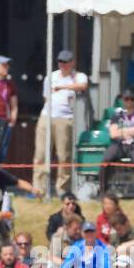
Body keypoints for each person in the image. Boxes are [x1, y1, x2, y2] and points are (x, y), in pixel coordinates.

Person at [34, 50, 87, 196]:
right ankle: (39, 189)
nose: (63, 65)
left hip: (65, 118)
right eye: (60, 62)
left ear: (72, 63)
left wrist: (63, 87)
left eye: (66, 62)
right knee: (41, 154)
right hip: (47, 116)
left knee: (64, 155)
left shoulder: (78, 76)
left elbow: (82, 86)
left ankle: (62, 190)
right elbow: (46, 97)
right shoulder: (51, 76)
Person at [100, 90, 134, 191]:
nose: (129, 102)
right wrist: (132, 131)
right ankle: (103, 190)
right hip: (119, 144)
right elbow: (113, 134)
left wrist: (122, 131)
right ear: (122, 100)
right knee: (107, 158)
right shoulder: (117, 115)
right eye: (126, 99)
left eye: (132, 99)